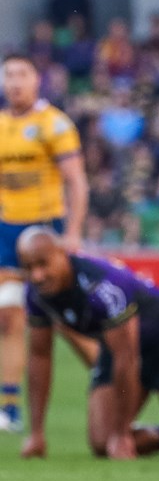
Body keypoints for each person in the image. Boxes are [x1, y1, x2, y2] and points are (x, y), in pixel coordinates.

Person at [16, 227, 159, 460]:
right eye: (28, 267)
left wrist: (123, 433)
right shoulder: (36, 294)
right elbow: (40, 356)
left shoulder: (102, 287)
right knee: (102, 442)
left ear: (62, 253)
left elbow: (127, 357)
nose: (37, 276)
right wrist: (36, 434)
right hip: (117, 347)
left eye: (43, 264)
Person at [0, 53, 88, 433]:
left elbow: (77, 181)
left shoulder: (54, 124)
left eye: (22, 75)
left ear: (37, 80)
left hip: (45, 229)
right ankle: (10, 406)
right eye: (9, 76)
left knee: (65, 323)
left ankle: (113, 379)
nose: (15, 82)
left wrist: (72, 232)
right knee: (9, 317)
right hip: (6, 231)